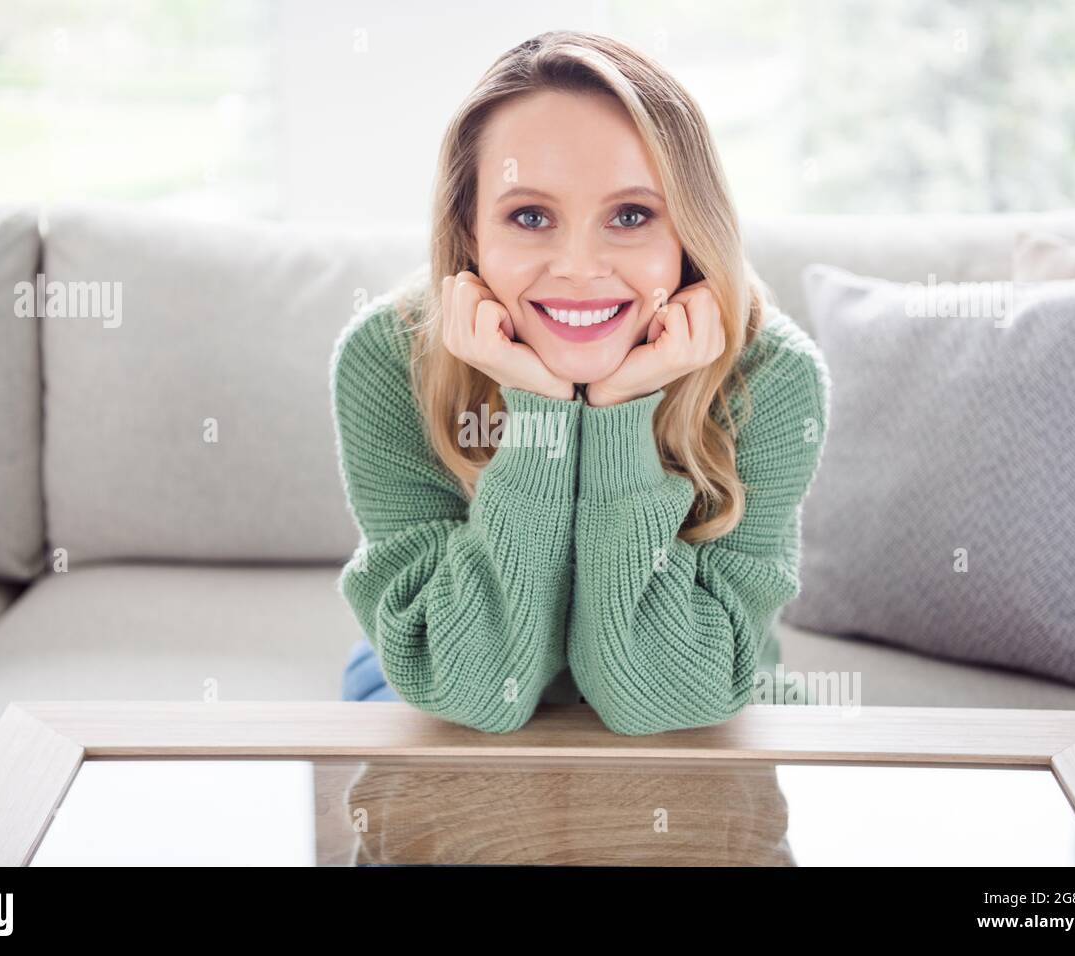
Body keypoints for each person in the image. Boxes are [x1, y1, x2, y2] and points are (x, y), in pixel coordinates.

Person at [331, 30, 827, 734]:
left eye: (631, 215)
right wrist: (541, 414)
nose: (579, 267)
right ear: (470, 230)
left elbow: (661, 697)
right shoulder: (388, 357)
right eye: (530, 216)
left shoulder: (771, 376)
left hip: (701, 705)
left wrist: (620, 412)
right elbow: (475, 690)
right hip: (442, 689)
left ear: (689, 230)